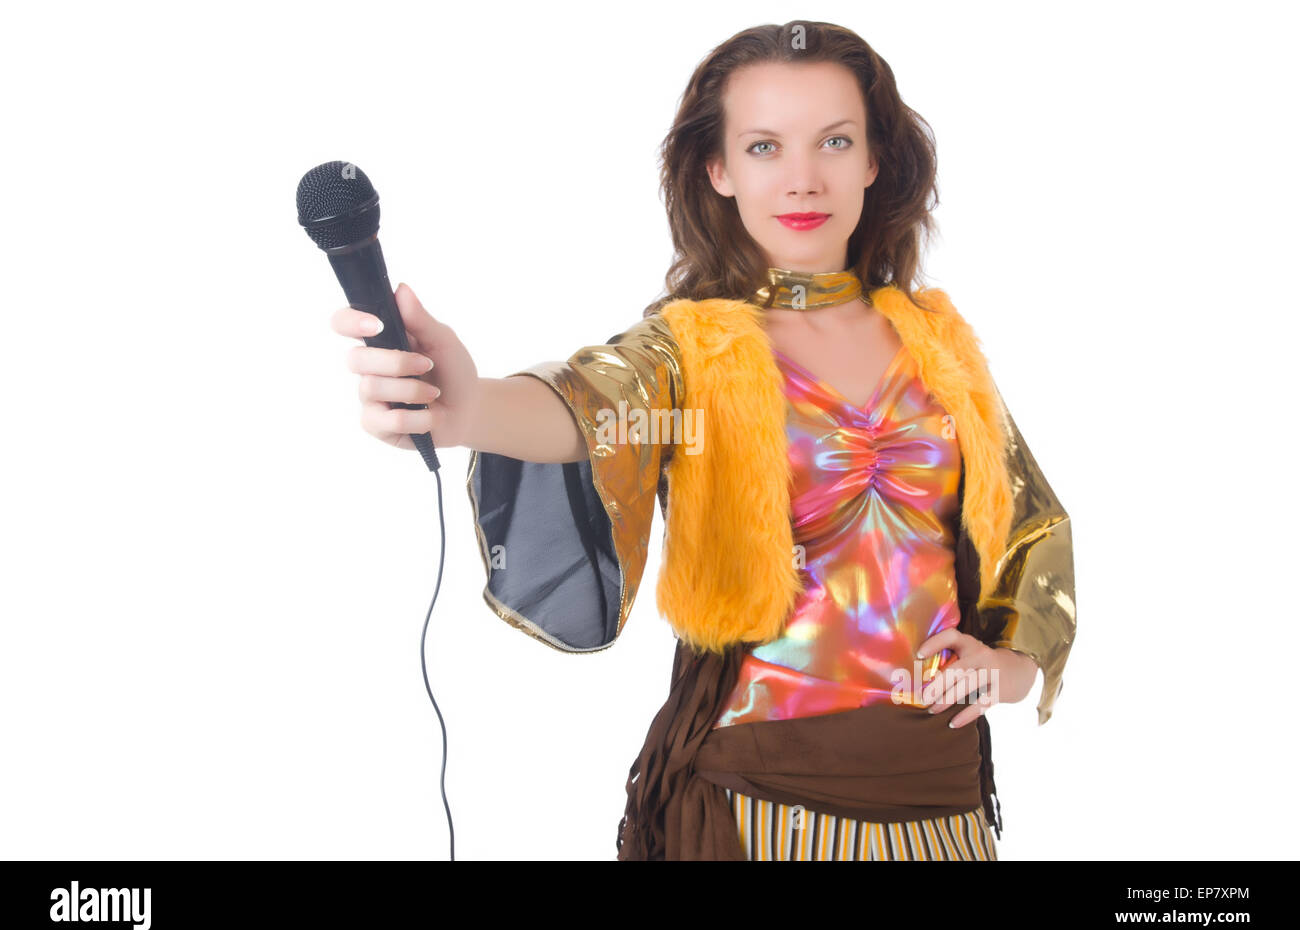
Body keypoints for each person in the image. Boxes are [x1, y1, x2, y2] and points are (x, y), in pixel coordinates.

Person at [330, 20, 1076, 861]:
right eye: (764, 147)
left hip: (939, 802)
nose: (803, 178)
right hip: (758, 803)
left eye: (834, 141)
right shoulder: (696, 350)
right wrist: (470, 408)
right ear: (717, 170)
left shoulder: (939, 342)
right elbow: (594, 404)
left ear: (874, 161)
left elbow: (1028, 521)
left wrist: (1017, 664)